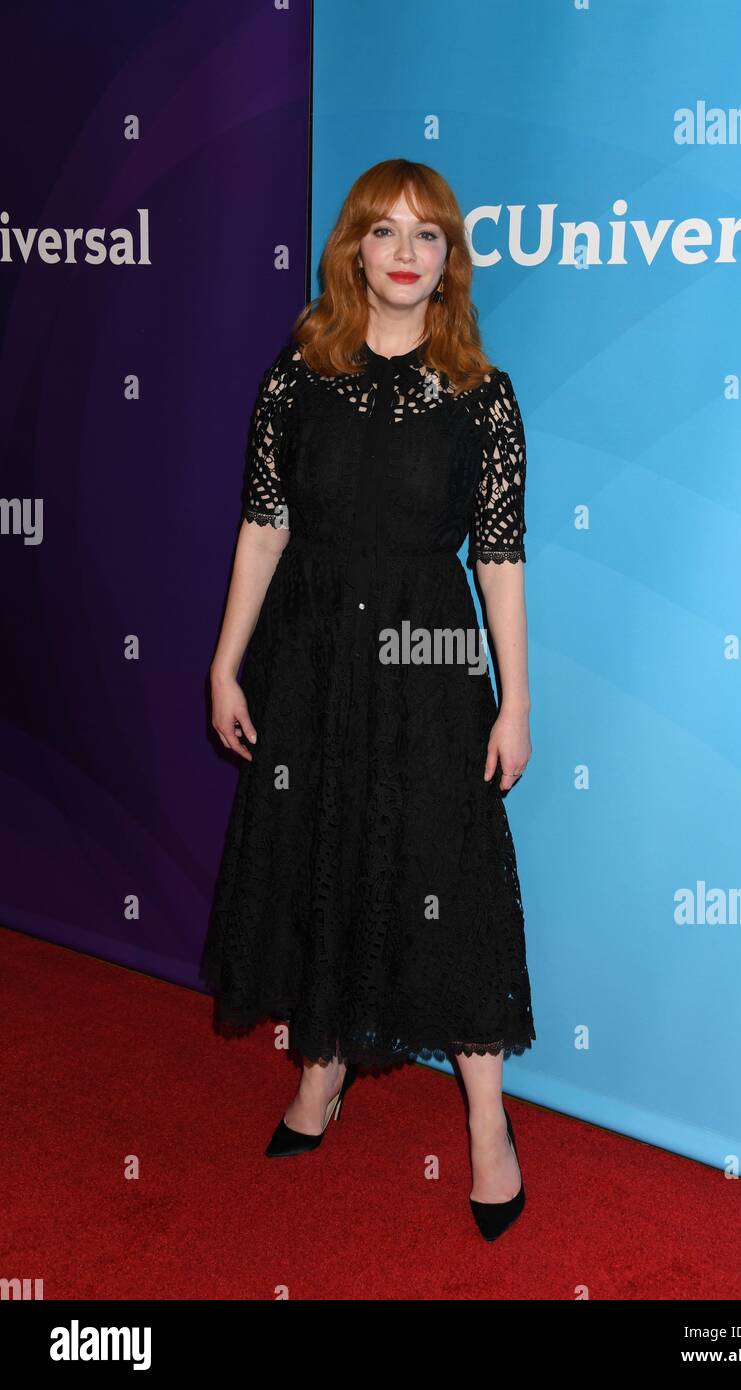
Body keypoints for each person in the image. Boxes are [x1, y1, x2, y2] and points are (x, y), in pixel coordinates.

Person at [200, 158, 535, 1241]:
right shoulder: (300, 372)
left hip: (431, 653)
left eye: (426, 234)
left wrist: (514, 696)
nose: (403, 252)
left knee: (445, 870)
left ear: (449, 260)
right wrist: (224, 662)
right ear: (352, 249)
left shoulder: (478, 392)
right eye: (383, 231)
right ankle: (322, 1068)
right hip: (309, 654)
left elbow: (498, 554)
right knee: (315, 850)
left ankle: (487, 1122)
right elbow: (264, 522)